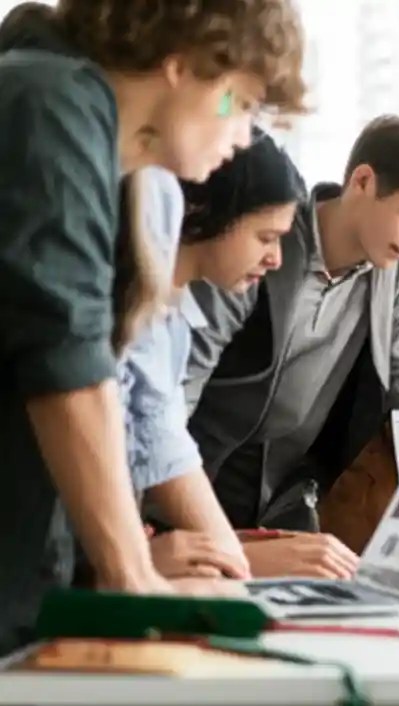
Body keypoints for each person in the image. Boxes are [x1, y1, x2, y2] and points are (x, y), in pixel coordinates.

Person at [0, 0, 305, 654]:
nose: (242, 136)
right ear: (183, 61)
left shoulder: (98, 142)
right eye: (240, 103)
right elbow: (65, 363)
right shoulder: (51, 105)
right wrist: (132, 579)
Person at [184, 114, 399, 533]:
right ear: (362, 182)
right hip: (199, 476)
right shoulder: (265, 238)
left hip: (292, 497)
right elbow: (181, 386)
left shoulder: (398, 271)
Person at [124, 132, 360, 581]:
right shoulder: (126, 318)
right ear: (200, 212)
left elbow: (164, 444)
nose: (276, 260)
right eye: (265, 237)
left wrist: (228, 550)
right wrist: (231, 556)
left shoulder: (175, 322)